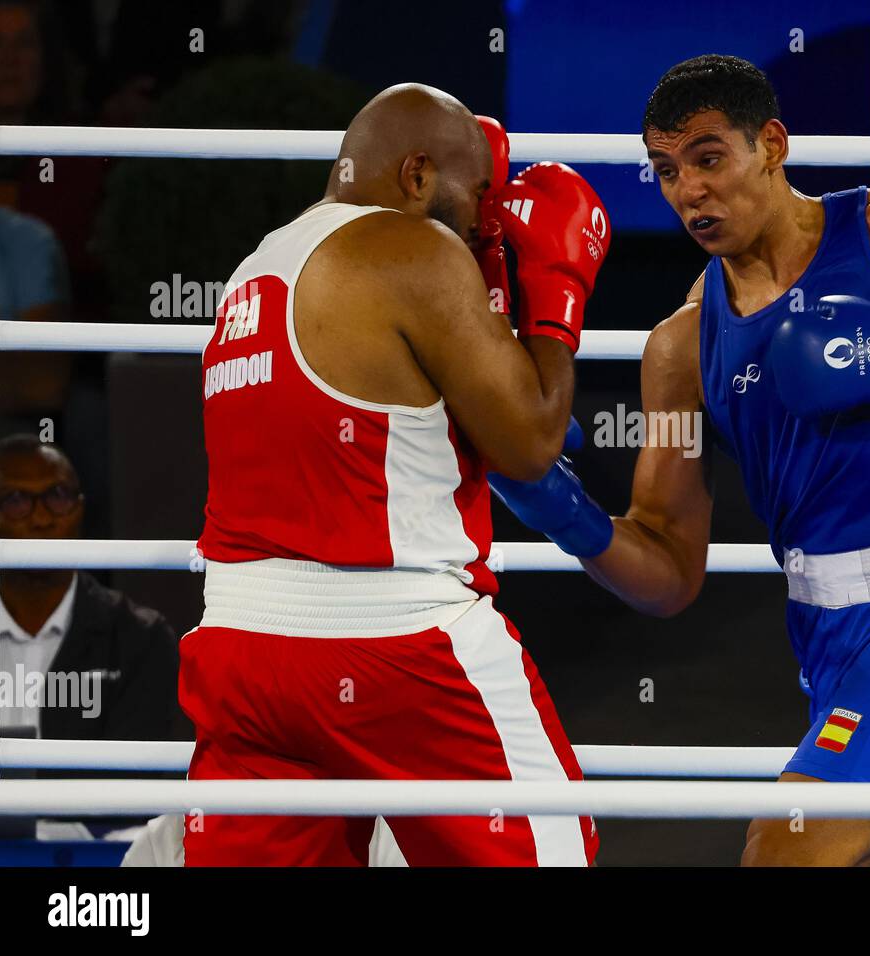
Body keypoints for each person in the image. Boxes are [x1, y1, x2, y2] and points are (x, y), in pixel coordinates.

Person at [488, 55, 870, 867]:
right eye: (666, 171)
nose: (688, 191)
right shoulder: (682, 348)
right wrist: (562, 513)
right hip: (831, 641)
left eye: (709, 158)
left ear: (773, 145)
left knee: (789, 848)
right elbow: (668, 567)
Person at [184, 83, 609, 866]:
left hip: (241, 656)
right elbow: (531, 443)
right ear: (416, 175)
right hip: (398, 650)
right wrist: (556, 294)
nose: (488, 220)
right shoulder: (413, 250)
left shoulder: (254, 271)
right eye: (478, 195)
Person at [0, 434, 180, 741]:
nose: (42, 518)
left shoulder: (140, 638)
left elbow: (131, 781)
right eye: (17, 500)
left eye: (58, 496)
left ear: (81, 508)